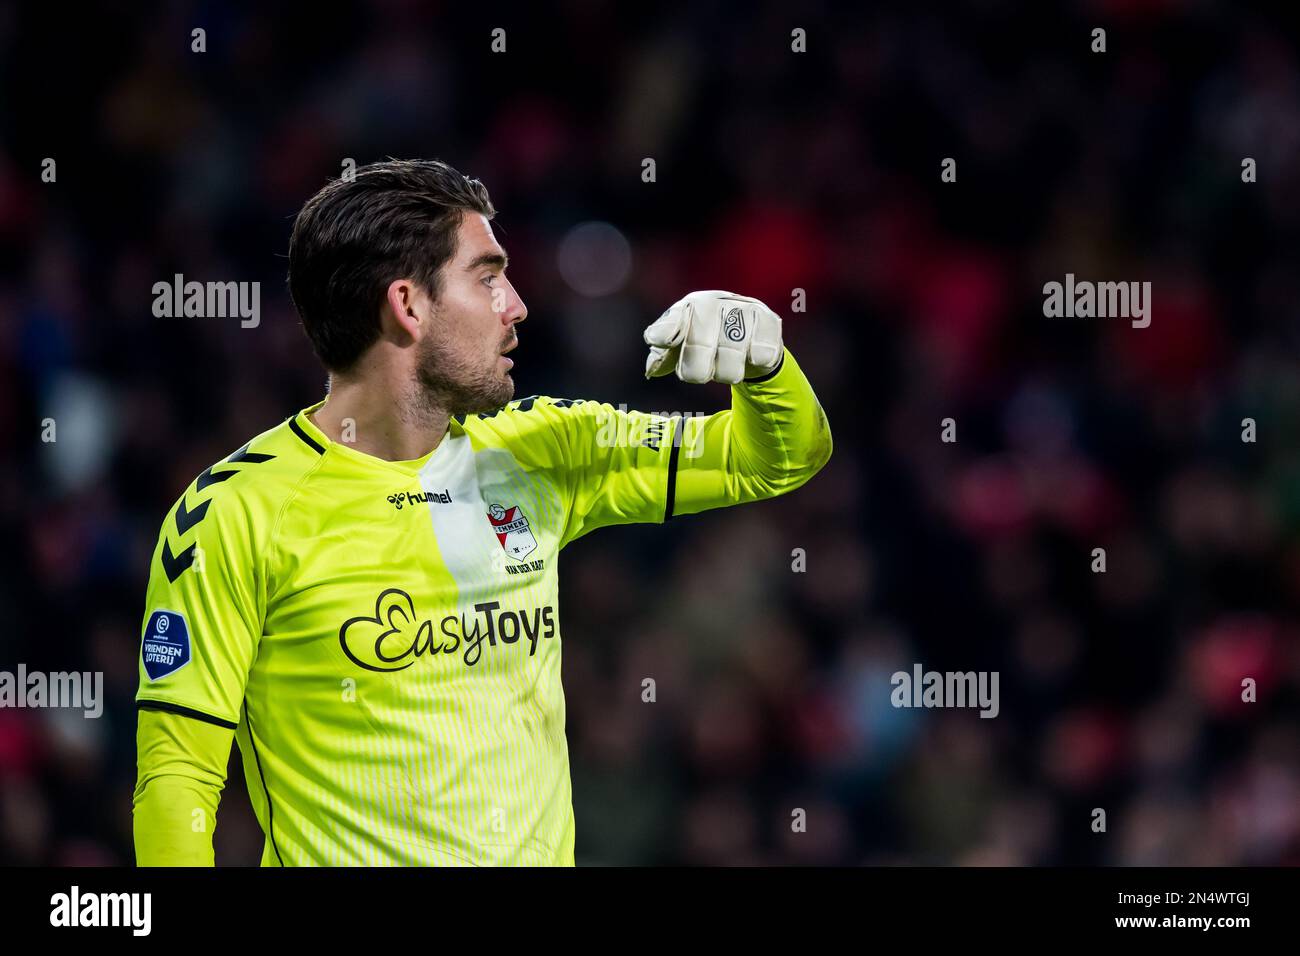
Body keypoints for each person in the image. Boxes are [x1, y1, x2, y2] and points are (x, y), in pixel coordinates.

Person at [132, 158, 832, 866]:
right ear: (408, 305)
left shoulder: (544, 448)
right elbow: (178, 777)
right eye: (488, 277)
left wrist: (767, 366)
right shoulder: (235, 512)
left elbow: (776, 458)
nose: (517, 305)